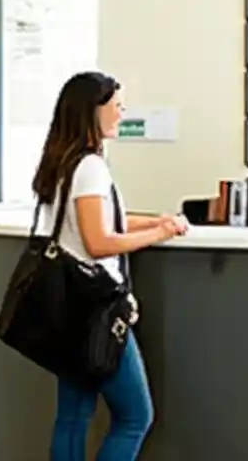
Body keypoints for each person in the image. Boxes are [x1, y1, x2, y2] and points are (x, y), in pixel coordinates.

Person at [31, 71, 188, 461]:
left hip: (65, 307)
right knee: (136, 416)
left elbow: (97, 221)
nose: (122, 113)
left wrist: (156, 221)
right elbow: (99, 242)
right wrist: (160, 234)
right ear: (93, 110)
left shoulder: (62, 163)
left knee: (74, 415)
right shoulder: (90, 167)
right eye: (117, 105)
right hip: (93, 309)